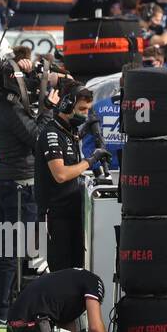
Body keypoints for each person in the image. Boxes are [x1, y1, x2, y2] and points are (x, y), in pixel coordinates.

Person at [0, 64, 42, 327]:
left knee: (3, 250)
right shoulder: (10, 108)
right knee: (10, 251)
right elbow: (38, 137)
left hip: (6, 183)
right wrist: (47, 109)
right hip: (19, 186)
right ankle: (0, 312)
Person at [34, 85, 107, 272]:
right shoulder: (52, 132)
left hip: (73, 211)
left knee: (76, 268)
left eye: (88, 109)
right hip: (56, 213)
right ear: (66, 105)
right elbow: (61, 174)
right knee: (61, 271)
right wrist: (91, 160)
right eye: (82, 109)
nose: (85, 114)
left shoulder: (70, 132)